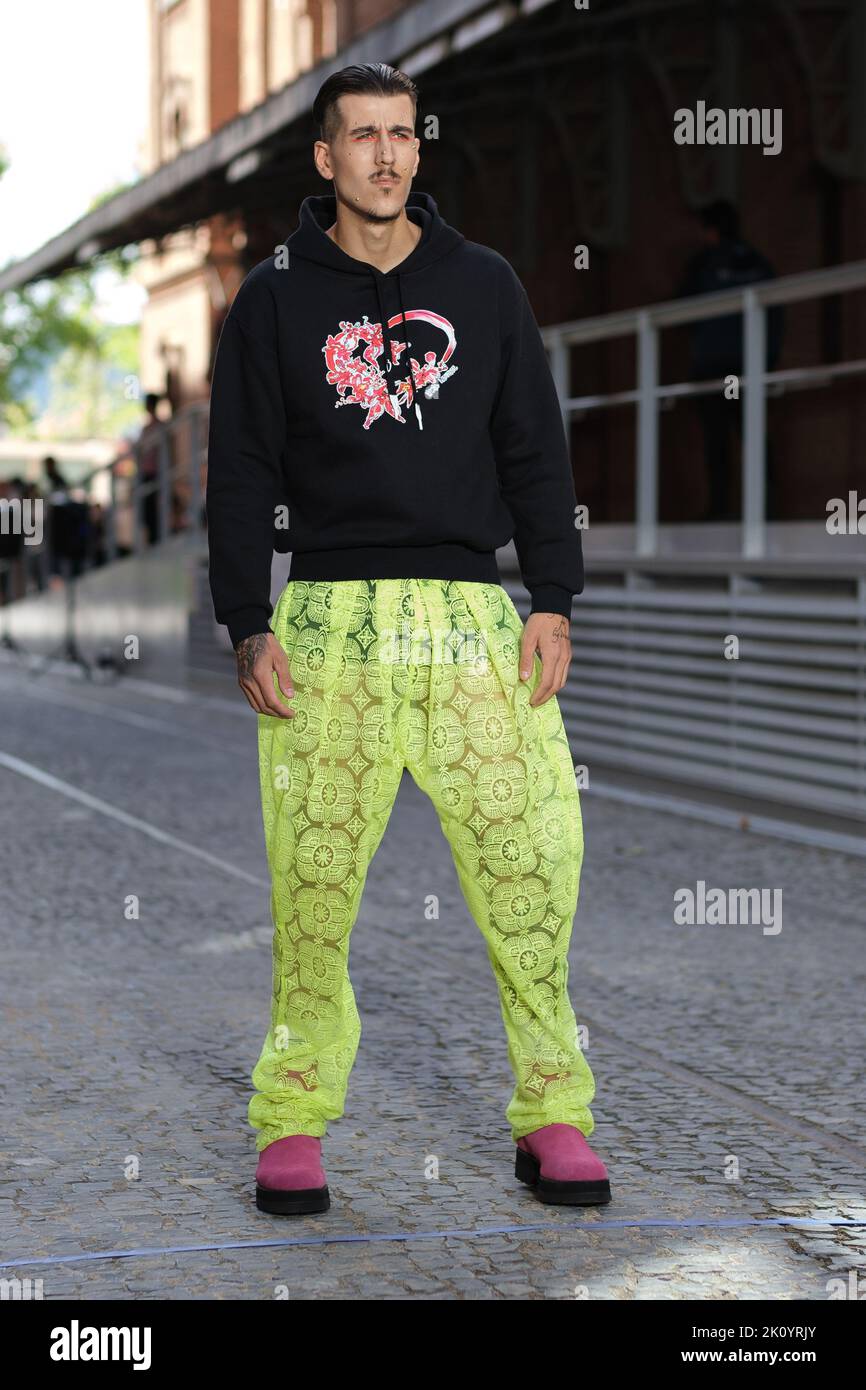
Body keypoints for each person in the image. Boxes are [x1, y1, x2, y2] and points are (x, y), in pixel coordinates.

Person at [206, 61, 610, 1217]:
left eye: (401, 135)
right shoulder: (274, 298)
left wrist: (551, 594)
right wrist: (246, 619)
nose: (384, 155)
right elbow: (238, 469)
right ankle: (291, 1116)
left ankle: (551, 1109)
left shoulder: (478, 285)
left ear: (415, 150)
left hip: (471, 618)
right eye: (360, 137)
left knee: (533, 858)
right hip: (329, 620)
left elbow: (533, 444)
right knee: (312, 882)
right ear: (324, 159)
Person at [678, 201, 784, 520]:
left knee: (718, 441)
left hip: (716, 369)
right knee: (753, 436)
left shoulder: (704, 263)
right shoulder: (757, 262)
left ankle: (721, 511)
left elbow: (681, 309)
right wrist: (768, 360)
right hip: (749, 368)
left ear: (710, 231)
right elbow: (776, 314)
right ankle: (766, 511)